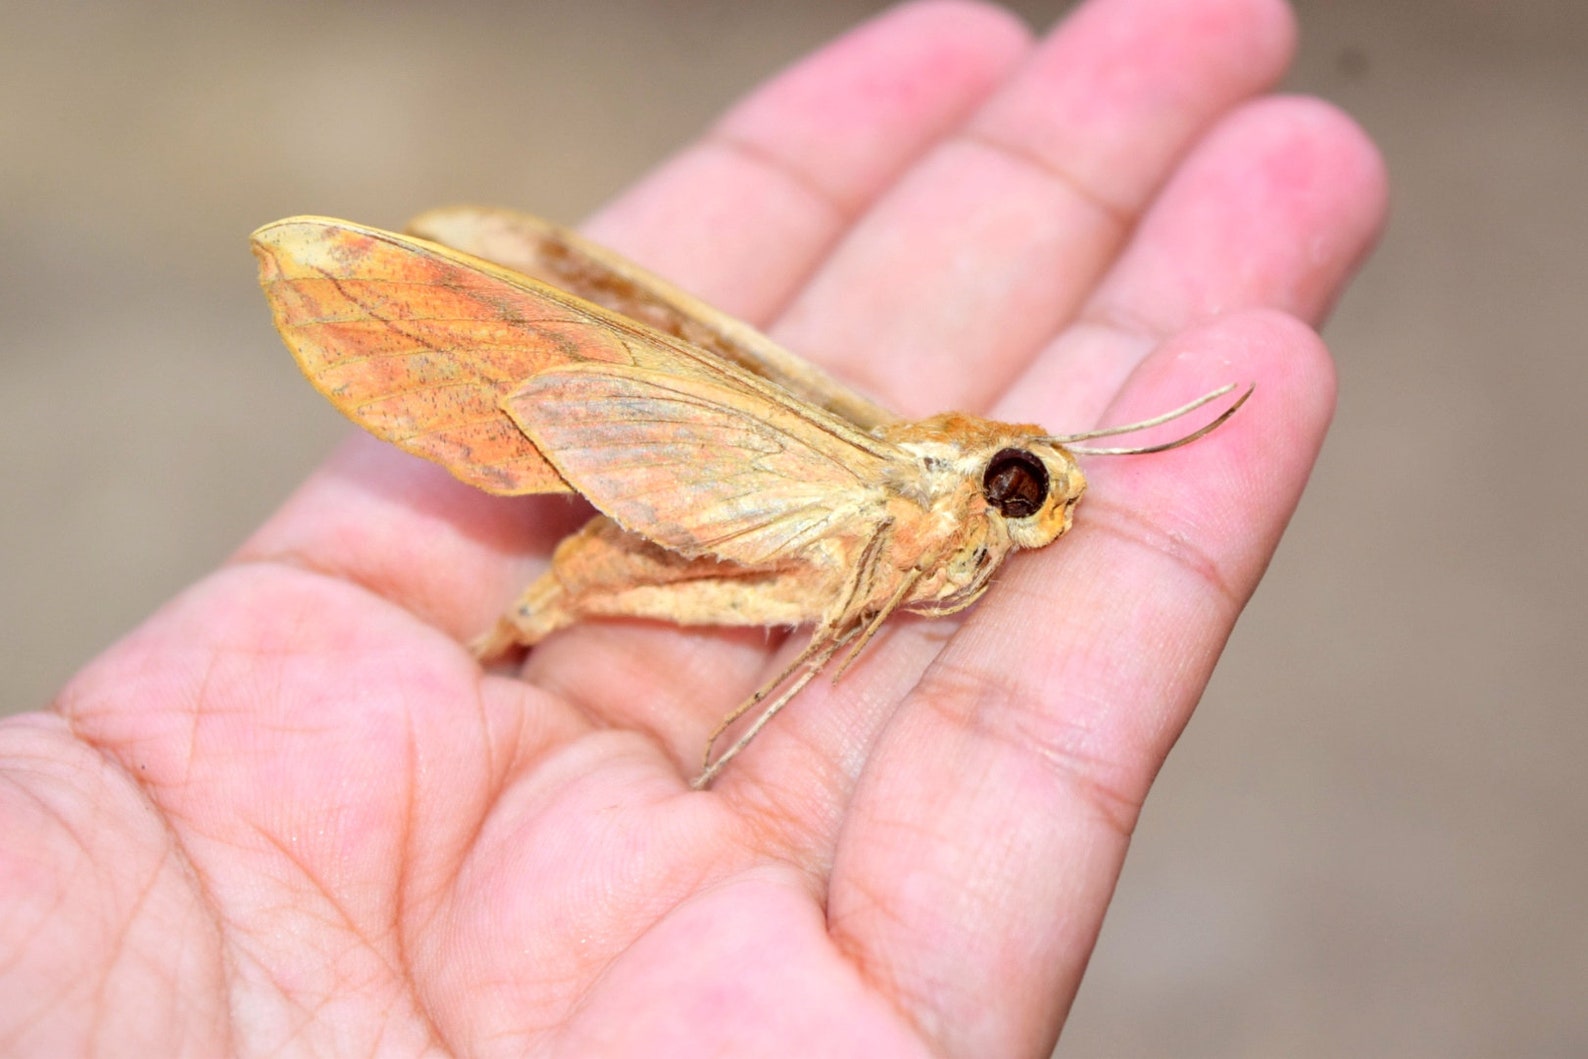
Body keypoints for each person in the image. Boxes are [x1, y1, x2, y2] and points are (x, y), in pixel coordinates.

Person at [0, 0, 1385, 1053]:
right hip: (659, 531)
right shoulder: (897, 493)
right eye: (1022, 493)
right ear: (985, 482)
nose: (1036, 515)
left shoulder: (926, 503)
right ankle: (545, 588)